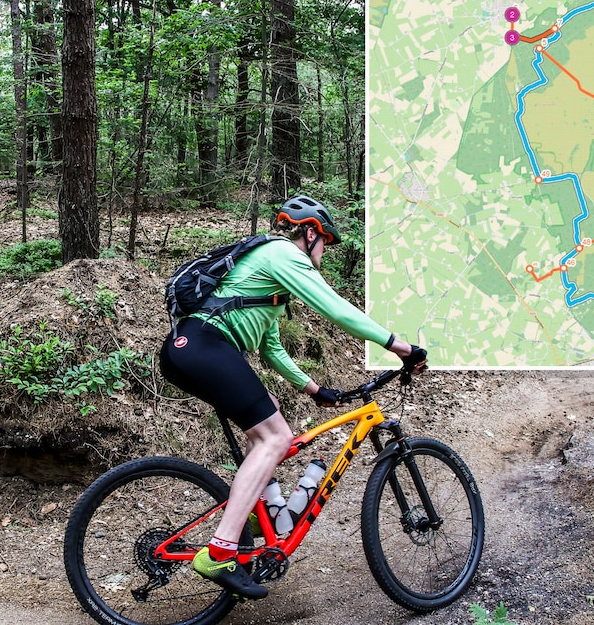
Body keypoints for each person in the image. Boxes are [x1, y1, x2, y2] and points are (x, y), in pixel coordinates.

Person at [158, 194, 426, 600]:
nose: (326, 253)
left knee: (266, 432)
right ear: (310, 232)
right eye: (326, 243)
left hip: (196, 349)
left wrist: (314, 389)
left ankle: (249, 521)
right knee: (276, 437)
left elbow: (270, 348)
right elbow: (335, 308)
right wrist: (399, 346)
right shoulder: (282, 252)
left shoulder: (269, 282)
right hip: (203, 345)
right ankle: (220, 552)